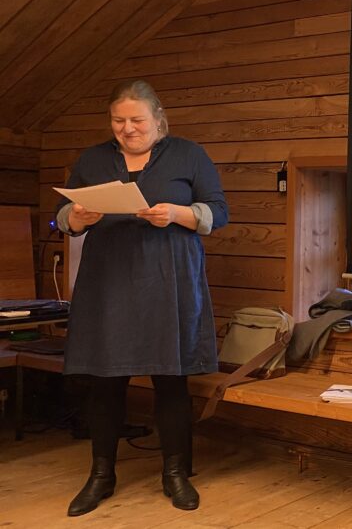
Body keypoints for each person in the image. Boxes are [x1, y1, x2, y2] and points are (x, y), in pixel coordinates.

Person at [56, 80, 228, 516]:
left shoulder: (189, 154)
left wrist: (178, 213)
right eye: (118, 121)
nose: (127, 128)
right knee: (105, 377)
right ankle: (101, 475)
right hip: (108, 280)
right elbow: (64, 218)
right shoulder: (93, 158)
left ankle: (176, 474)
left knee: (170, 377)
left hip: (169, 279)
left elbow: (219, 211)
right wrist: (77, 217)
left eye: (136, 120)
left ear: (158, 118)